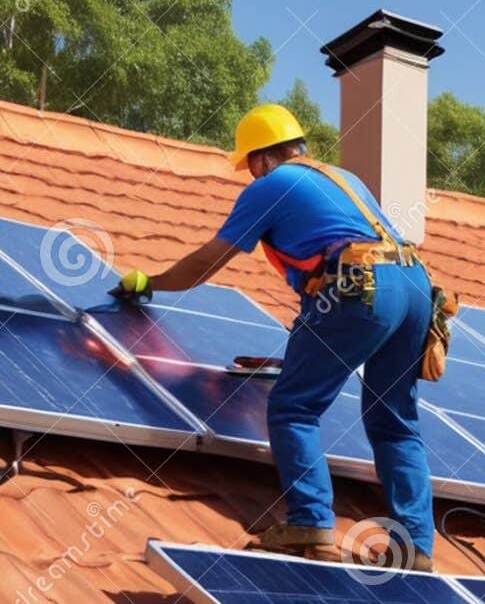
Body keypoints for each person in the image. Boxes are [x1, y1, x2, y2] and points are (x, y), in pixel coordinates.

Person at [114, 104, 436, 571]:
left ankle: (309, 524)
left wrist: (152, 282)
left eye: (248, 166)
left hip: (360, 288)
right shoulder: (344, 179)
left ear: (263, 159)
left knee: (293, 407)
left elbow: (206, 262)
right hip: (415, 289)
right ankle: (415, 548)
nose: (250, 176)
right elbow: (335, 254)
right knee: (394, 422)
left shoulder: (272, 186)